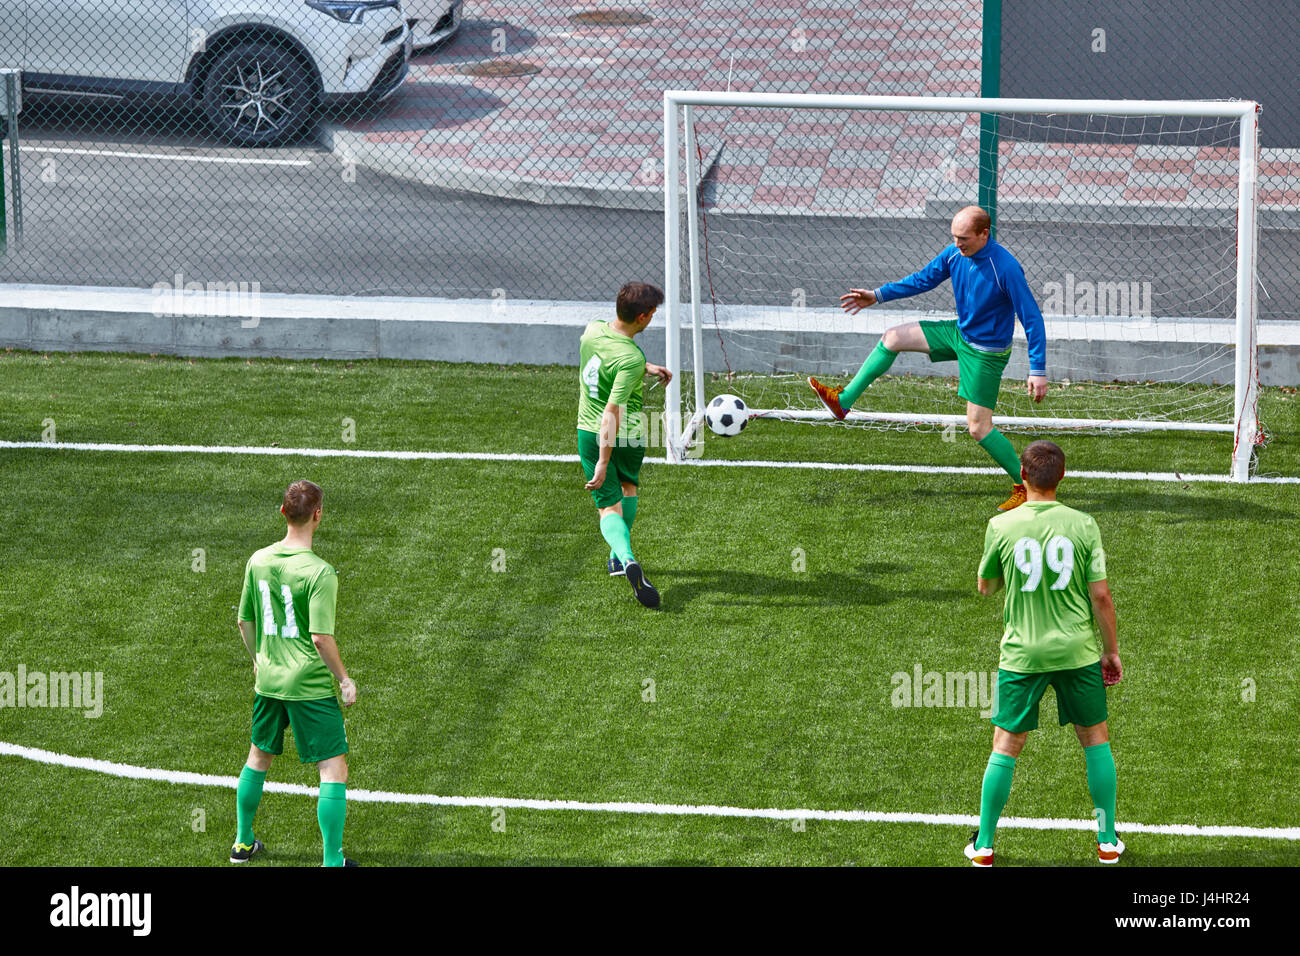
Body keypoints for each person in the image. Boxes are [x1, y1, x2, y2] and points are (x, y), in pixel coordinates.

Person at [809, 205, 1048, 512]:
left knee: (978, 428)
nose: (957, 243)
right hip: (959, 334)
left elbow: (1032, 318)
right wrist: (877, 295)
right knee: (892, 338)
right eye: (954, 237)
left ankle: (1024, 486)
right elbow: (923, 279)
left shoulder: (1006, 268)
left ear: (984, 234)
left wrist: (1037, 368)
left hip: (985, 353)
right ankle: (843, 402)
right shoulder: (954, 254)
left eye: (963, 238)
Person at [967, 441, 1123, 866]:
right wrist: (1110, 652)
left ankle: (983, 845)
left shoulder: (1001, 527)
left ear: (1021, 474)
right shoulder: (1084, 524)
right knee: (1095, 739)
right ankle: (1106, 840)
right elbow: (1102, 598)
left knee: (1005, 744)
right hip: (1077, 652)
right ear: (1063, 476)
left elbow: (986, 587)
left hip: (1022, 655)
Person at [231, 479, 359, 867]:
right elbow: (320, 638)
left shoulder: (258, 560)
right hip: (308, 683)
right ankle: (332, 862)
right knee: (332, 766)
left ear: (283, 513)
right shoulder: (320, 573)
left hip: (268, 681)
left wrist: (258, 658)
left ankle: (241, 843)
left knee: (258, 757)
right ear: (317, 515)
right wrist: (344, 679)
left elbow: (243, 621)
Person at [577, 281, 672, 608]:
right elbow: (611, 413)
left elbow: (609, 361)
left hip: (589, 433)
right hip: (626, 431)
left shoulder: (592, 330)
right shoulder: (630, 357)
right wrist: (606, 461)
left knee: (607, 505)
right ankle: (619, 559)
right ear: (643, 317)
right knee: (627, 488)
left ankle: (625, 556)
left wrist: (646, 367)